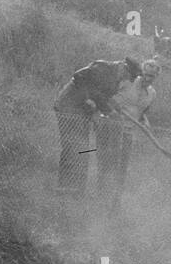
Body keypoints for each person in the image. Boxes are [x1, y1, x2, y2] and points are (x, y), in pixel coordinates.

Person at [54, 57, 142, 196]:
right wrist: (88, 99)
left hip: (83, 113)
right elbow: (79, 76)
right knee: (75, 148)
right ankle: (67, 189)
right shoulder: (103, 68)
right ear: (124, 67)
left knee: (81, 151)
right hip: (69, 107)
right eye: (128, 75)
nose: (127, 79)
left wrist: (112, 108)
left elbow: (101, 96)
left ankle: (74, 190)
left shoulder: (116, 80)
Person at [96, 59, 159, 199]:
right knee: (106, 163)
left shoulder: (152, 94)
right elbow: (106, 98)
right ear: (141, 72)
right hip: (110, 128)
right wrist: (112, 108)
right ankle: (100, 196)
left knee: (122, 168)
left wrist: (145, 122)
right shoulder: (127, 82)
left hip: (128, 134)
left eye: (151, 76)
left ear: (156, 77)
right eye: (145, 74)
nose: (147, 78)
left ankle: (116, 199)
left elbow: (142, 113)